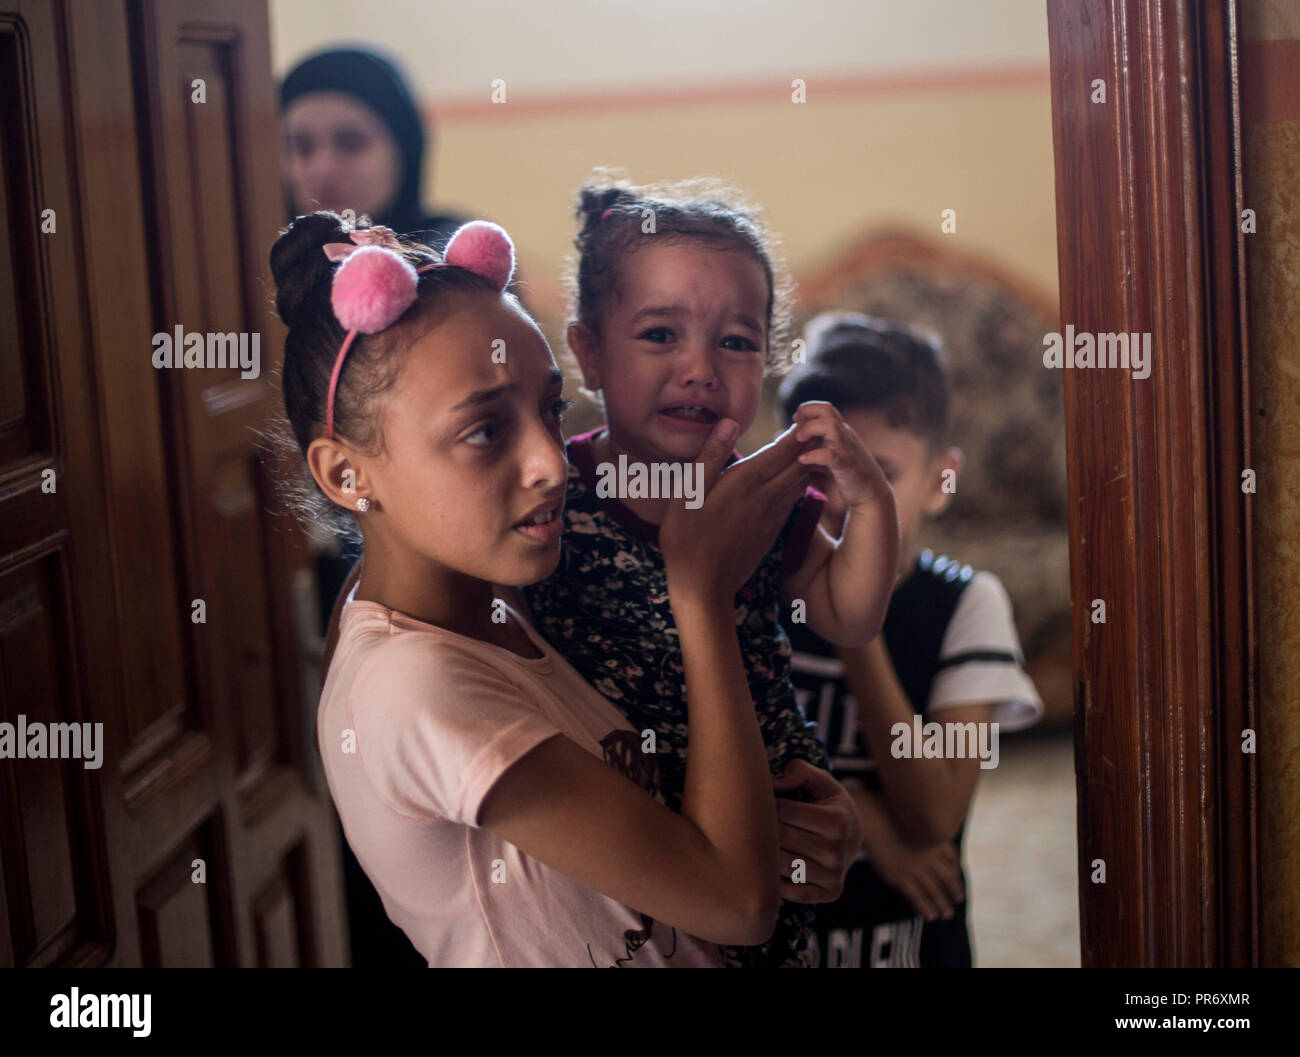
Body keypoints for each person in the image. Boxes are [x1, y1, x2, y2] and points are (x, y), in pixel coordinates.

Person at [274, 212, 826, 966]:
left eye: (551, 410)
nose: (553, 463)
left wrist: (798, 819)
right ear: (346, 474)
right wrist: (698, 590)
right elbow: (737, 901)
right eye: (484, 432)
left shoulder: (490, 600)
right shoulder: (415, 681)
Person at [520, 176, 900, 966]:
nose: (700, 368)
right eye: (661, 334)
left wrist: (871, 502)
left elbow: (850, 614)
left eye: (735, 341)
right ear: (588, 351)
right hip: (624, 829)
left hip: (766, 813)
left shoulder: (758, 496)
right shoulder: (552, 491)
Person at [777, 312, 1044, 967]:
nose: (847, 507)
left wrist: (853, 621)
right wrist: (869, 821)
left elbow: (932, 819)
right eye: (822, 478)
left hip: (910, 945)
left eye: (880, 474)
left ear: (939, 480)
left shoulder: (966, 604)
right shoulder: (758, 587)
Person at [281, 46, 464, 249]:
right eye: (301, 147)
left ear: (404, 152)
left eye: (351, 144)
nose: (324, 168)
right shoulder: (252, 256)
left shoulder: (456, 258)